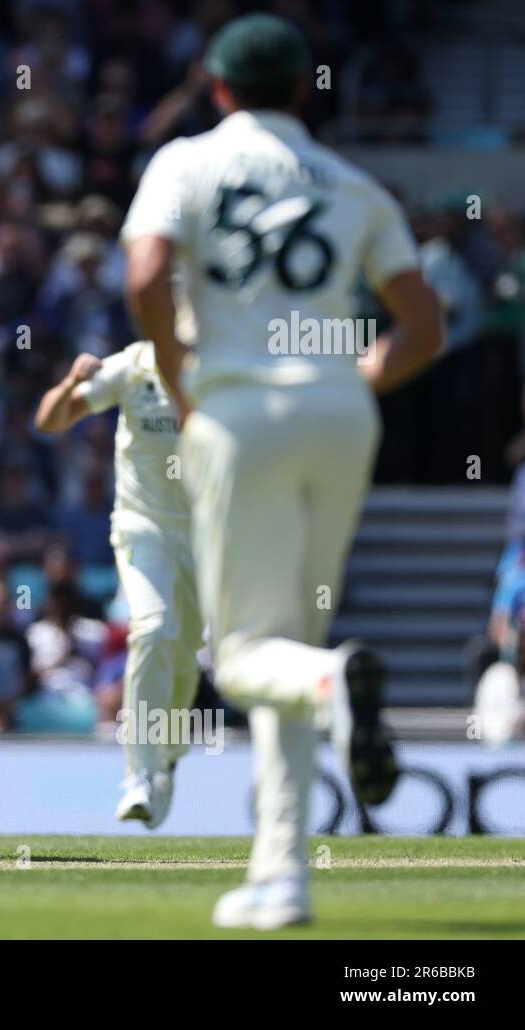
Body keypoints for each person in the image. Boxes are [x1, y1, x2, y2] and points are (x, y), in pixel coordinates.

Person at [121, 14, 443, 928]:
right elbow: (424, 326)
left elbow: (145, 276)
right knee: (289, 638)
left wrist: (181, 381)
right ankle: (285, 878)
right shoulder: (354, 182)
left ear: (216, 87)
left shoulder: (184, 163)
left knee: (251, 653)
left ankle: (338, 683)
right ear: (306, 89)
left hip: (236, 412)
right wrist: (354, 380)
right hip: (340, 415)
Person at [36, 341, 202, 828]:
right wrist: (70, 382)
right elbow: (49, 422)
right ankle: (140, 772)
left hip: (207, 535)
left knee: (186, 652)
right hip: (143, 528)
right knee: (152, 628)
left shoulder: (225, 359)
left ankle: (168, 750)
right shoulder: (132, 366)